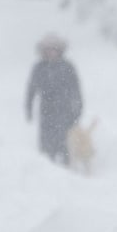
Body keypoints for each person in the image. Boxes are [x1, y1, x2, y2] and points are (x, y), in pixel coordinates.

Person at [24, 33, 83, 165]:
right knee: (47, 148)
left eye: (54, 49)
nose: (51, 52)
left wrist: (78, 110)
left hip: (65, 112)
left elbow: (76, 91)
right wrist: (28, 109)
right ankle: (47, 171)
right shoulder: (39, 68)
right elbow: (31, 90)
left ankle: (68, 171)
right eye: (48, 49)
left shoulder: (67, 67)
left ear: (60, 50)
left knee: (65, 145)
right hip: (46, 112)